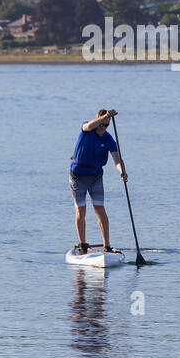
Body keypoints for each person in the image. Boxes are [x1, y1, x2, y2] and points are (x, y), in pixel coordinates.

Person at [70, 108, 127, 255]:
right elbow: (90, 125)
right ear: (97, 121)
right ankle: (82, 244)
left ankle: (106, 245)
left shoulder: (108, 140)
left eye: (106, 125)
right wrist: (105, 117)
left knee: (100, 210)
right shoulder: (87, 129)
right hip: (78, 175)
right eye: (101, 124)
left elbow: (117, 160)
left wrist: (122, 172)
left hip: (96, 176)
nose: (103, 128)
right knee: (81, 211)